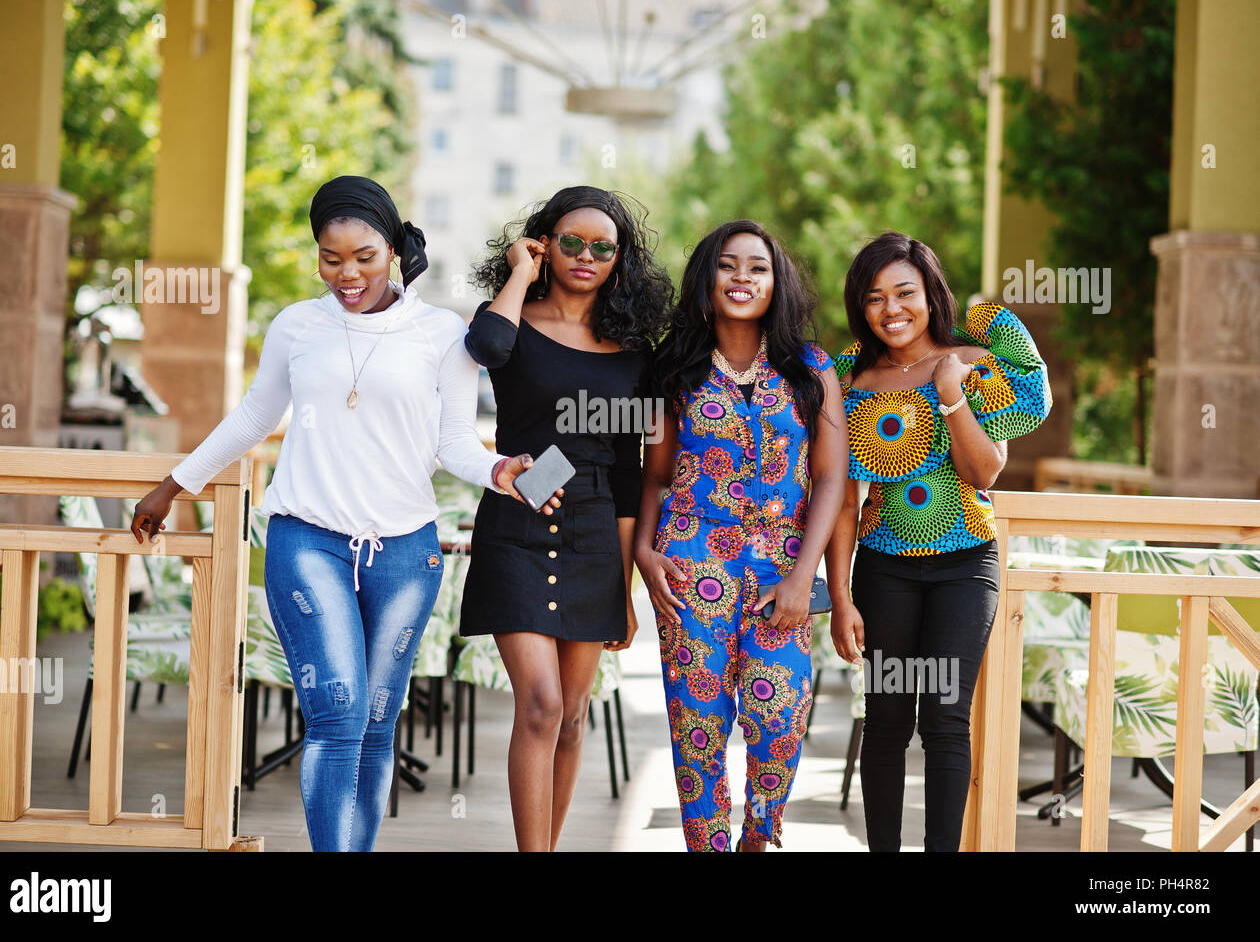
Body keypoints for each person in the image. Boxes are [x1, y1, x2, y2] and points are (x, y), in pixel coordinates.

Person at [129, 175, 556, 852]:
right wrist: (173, 485)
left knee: (378, 724)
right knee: (339, 716)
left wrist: (498, 470)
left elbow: (452, 441)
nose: (347, 273)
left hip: (407, 555)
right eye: (330, 258)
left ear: (393, 248)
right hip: (308, 543)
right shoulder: (298, 325)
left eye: (364, 256)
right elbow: (252, 416)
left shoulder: (440, 332)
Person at [825, 231, 1052, 851]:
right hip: (883, 567)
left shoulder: (973, 364)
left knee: (945, 721)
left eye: (906, 292)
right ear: (860, 306)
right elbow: (844, 499)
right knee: (889, 721)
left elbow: (985, 472)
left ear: (931, 296)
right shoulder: (849, 377)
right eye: (874, 297)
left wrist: (951, 391)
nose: (891, 309)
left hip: (965, 565)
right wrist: (841, 596)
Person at [461, 185, 672, 851]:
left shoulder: (636, 353)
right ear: (545, 243)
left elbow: (631, 473)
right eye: (570, 241)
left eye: (602, 247)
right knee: (542, 704)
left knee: (574, 715)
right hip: (516, 527)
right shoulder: (512, 319)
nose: (586, 256)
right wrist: (521, 274)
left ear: (620, 259)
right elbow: (486, 347)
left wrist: (628, 587)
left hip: (592, 535)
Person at [635, 220, 847, 852]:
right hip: (690, 565)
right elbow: (654, 477)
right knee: (697, 724)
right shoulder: (672, 369)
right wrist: (645, 552)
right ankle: (707, 846)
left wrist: (804, 579)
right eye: (728, 266)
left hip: (783, 565)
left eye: (757, 267)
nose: (742, 278)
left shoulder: (811, 368)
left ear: (776, 283)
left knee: (780, 716)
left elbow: (832, 480)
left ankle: (759, 838)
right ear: (706, 279)